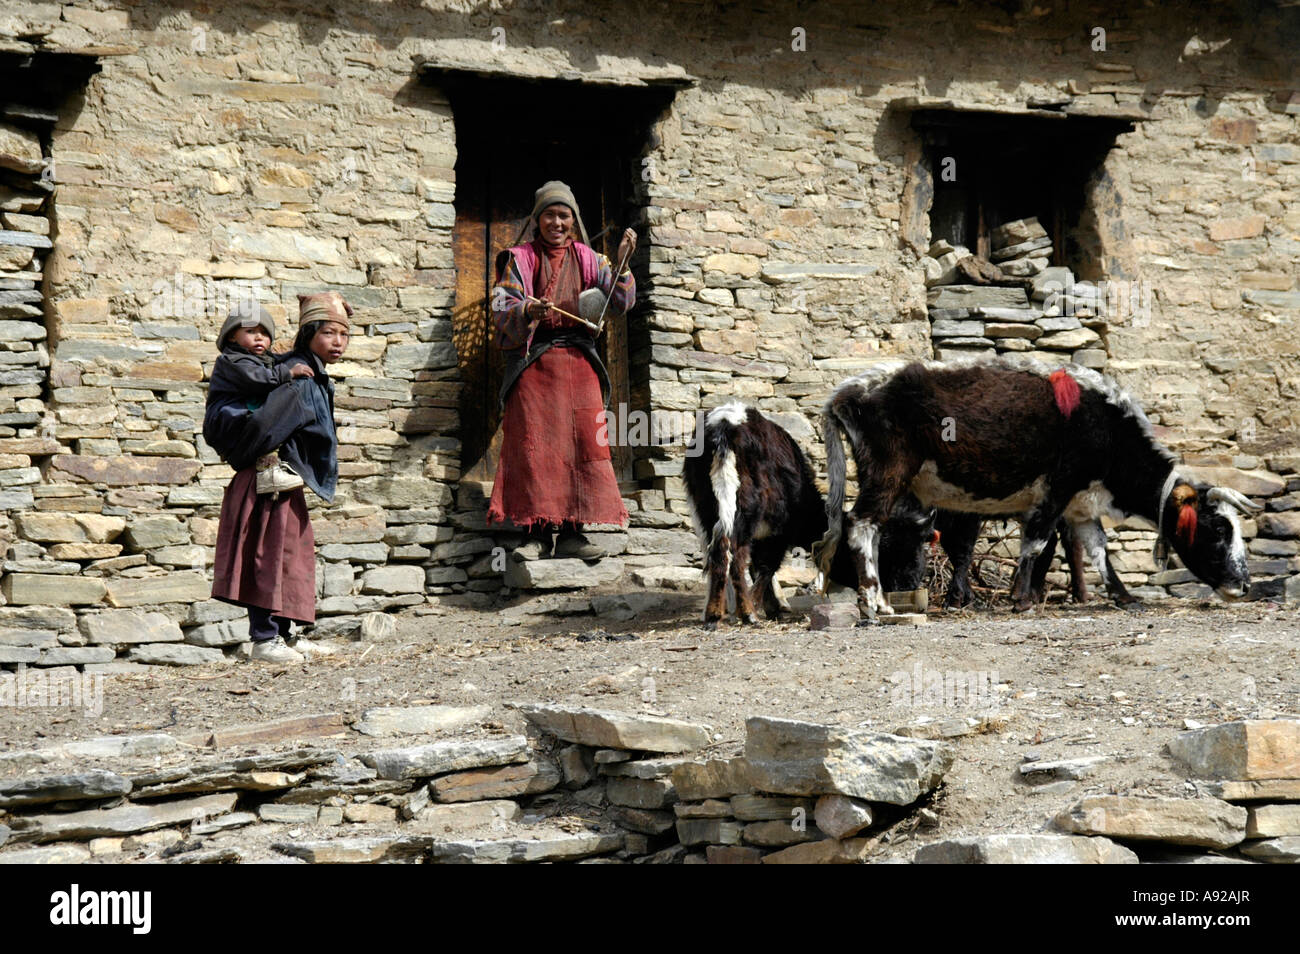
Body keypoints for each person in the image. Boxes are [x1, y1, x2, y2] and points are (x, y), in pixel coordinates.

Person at [487, 180, 637, 561]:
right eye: (549, 215)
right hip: (533, 363)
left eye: (563, 216)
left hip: (579, 363)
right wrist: (526, 310)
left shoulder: (590, 258)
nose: (557, 222)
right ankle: (535, 533)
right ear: (537, 220)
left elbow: (619, 302)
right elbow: (501, 306)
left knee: (583, 443)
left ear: (573, 220)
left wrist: (621, 265)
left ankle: (573, 532)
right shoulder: (518, 259)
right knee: (533, 447)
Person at [210, 292, 351, 664]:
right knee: (266, 557)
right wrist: (265, 460)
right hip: (264, 480)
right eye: (329, 333)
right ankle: (263, 639)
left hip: (285, 481)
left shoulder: (306, 372)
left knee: (290, 557)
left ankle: (286, 636)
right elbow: (264, 425)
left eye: (344, 334)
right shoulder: (293, 377)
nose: (337, 342)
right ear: (308, 335)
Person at [206, 301, 315, 495]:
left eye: (264, 334)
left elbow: (283, 360)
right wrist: (288, 372)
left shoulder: (264, 360)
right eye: (250, 331)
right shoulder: (231, 360)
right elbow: (255, 379)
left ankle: (274, 465)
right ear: (232, 335)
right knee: (290, 395)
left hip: (245, 415)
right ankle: (267, 469)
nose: (259, 337)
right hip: (230, 419)